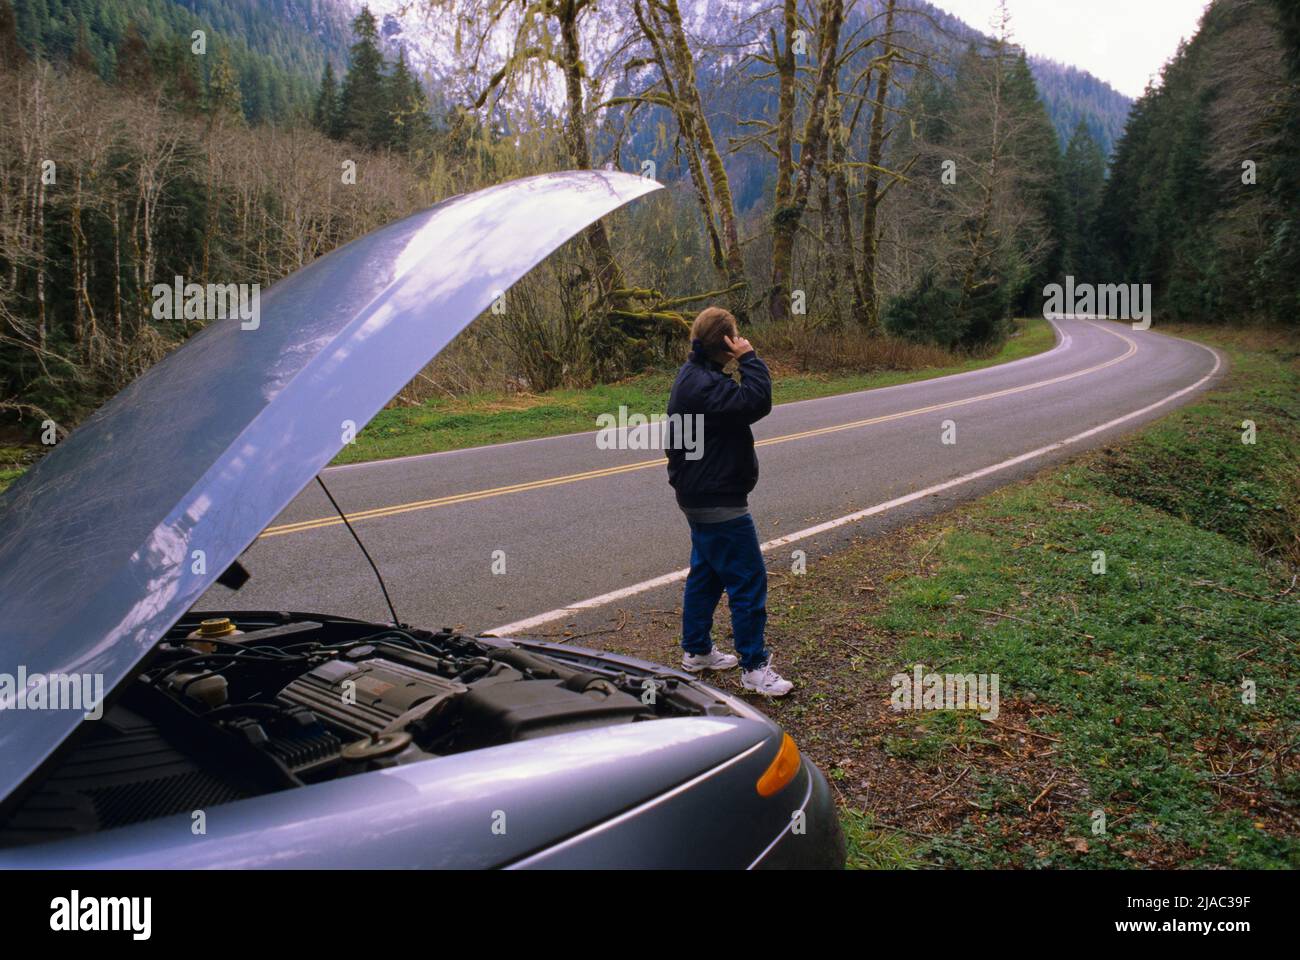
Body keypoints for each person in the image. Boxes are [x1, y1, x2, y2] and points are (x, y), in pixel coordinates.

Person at [665, 306, 793, 696]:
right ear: (725, 341)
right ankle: (755, 667)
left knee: (707, 573)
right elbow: (756, 402)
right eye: (735, 335)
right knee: (747, 579)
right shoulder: (706, 386)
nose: (740, 338)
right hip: (717, 498)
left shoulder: (695, 376)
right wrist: (749, 358)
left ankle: (698, 652)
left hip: (700, 493)